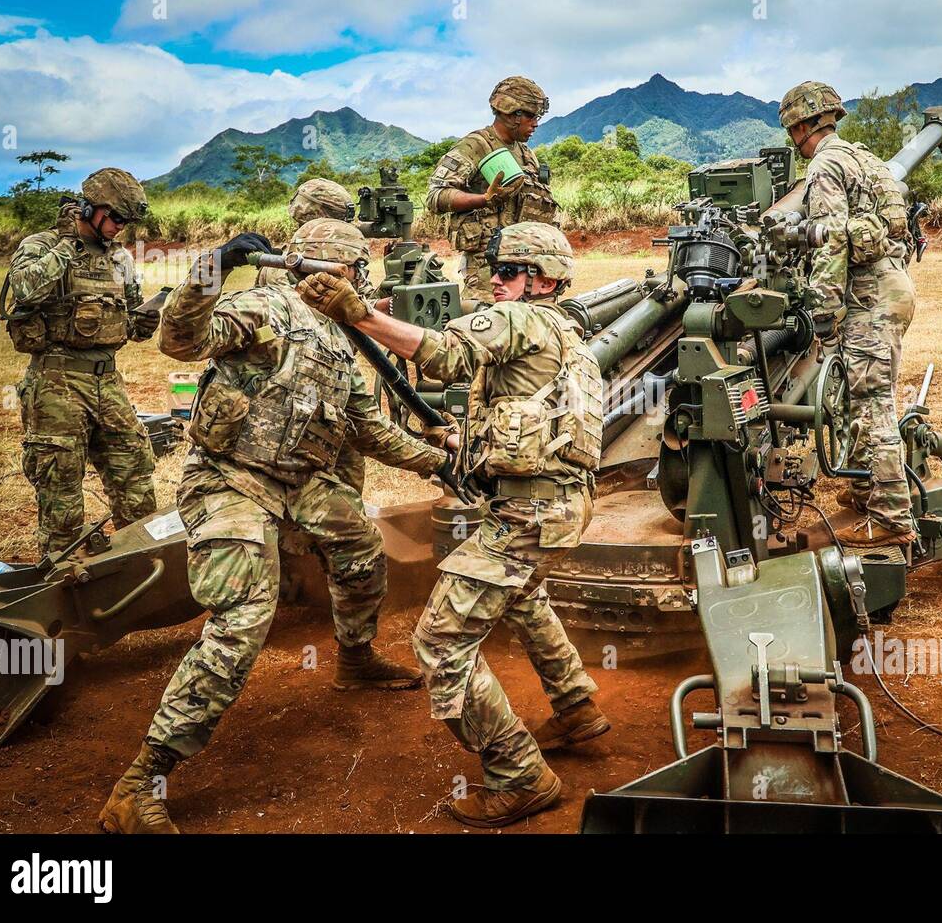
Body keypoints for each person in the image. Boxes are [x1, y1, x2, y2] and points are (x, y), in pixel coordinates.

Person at [99, 220, 451, 833]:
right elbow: (179, 341)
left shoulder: (342, 343)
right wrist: (213, 266)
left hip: (299, 480)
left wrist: (440, 460)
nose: (359, 282)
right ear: (328, 272)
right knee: (242, 618)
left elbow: (367, 429)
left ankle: (354, 659)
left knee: (363, 548)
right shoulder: (263, 307)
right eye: (352, 271)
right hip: (229, 479)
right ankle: (139, 783)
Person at [298, 221, 608, 828]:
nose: (495, 276)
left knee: (441, 642)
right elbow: (531, 421)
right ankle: (574, 705)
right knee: (522, 599)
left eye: (511, 270)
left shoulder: (524, 319)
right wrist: (462, 441)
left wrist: (358, 312)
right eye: (496, 265)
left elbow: (443, 354)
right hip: (553, 504)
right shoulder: (566, 333)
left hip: (529, 513)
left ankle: (518, 776)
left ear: (543, 280)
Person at [779, 81, 918, 547]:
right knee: (859, 392)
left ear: (799, 126)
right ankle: (864, 490)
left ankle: (892, 519)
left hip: (868, 294)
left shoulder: (824, 166)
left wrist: (821, 310)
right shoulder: (867, 158)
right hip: (892, 283)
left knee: (872, 402)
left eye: (792, 129)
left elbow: (832, 240)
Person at [2, 168, 158, 556]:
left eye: (127, 221)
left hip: (108, 381)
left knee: (135, 474)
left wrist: (146, 320)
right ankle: (63, 581)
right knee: (61, 488)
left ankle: (141, 566)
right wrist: (67, 246)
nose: (120, 228)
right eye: (116, 218)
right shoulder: (43, 245)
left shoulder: (119, 259)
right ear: (90, 208)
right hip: (57, 383)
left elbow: (132, 321)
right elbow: (25, 289)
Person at [257, 177, 369, 494]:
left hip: (325, 374)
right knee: (330, 470)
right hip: (309, 379)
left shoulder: (291, 259)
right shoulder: (287, 267)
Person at [426, 76, 559, 302]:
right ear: (511, 113)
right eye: (531, 116)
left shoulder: (526, 155)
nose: (535, 123)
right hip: (486, 269)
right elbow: (436, 195)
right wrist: (484, 199)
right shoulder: (476, 145)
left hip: (523, 268)